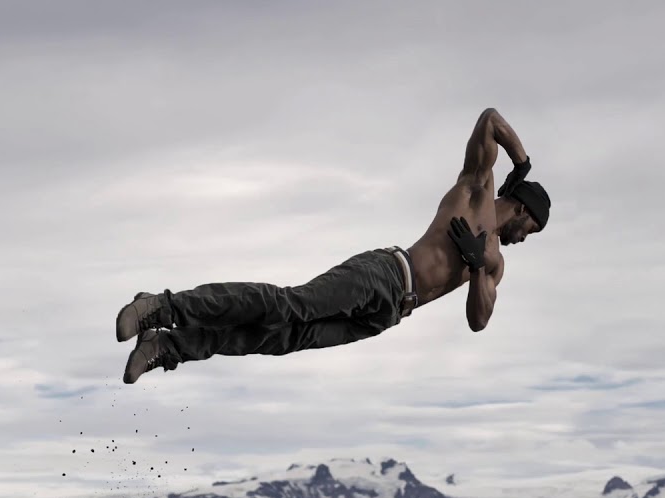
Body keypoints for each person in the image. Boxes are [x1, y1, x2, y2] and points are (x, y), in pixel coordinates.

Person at [115, 107, 551, 384]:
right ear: (523, 211)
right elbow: (490, 119)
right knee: (289, 305)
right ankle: (161, 307)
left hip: (387, 315)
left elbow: (479, 320)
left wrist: (476, 266)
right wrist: (522, 161)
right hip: (385, 274)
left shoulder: (493, 264)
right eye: (530, 230)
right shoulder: (475, 191)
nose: (523, 240)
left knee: (282, 339)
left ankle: (165, 347)